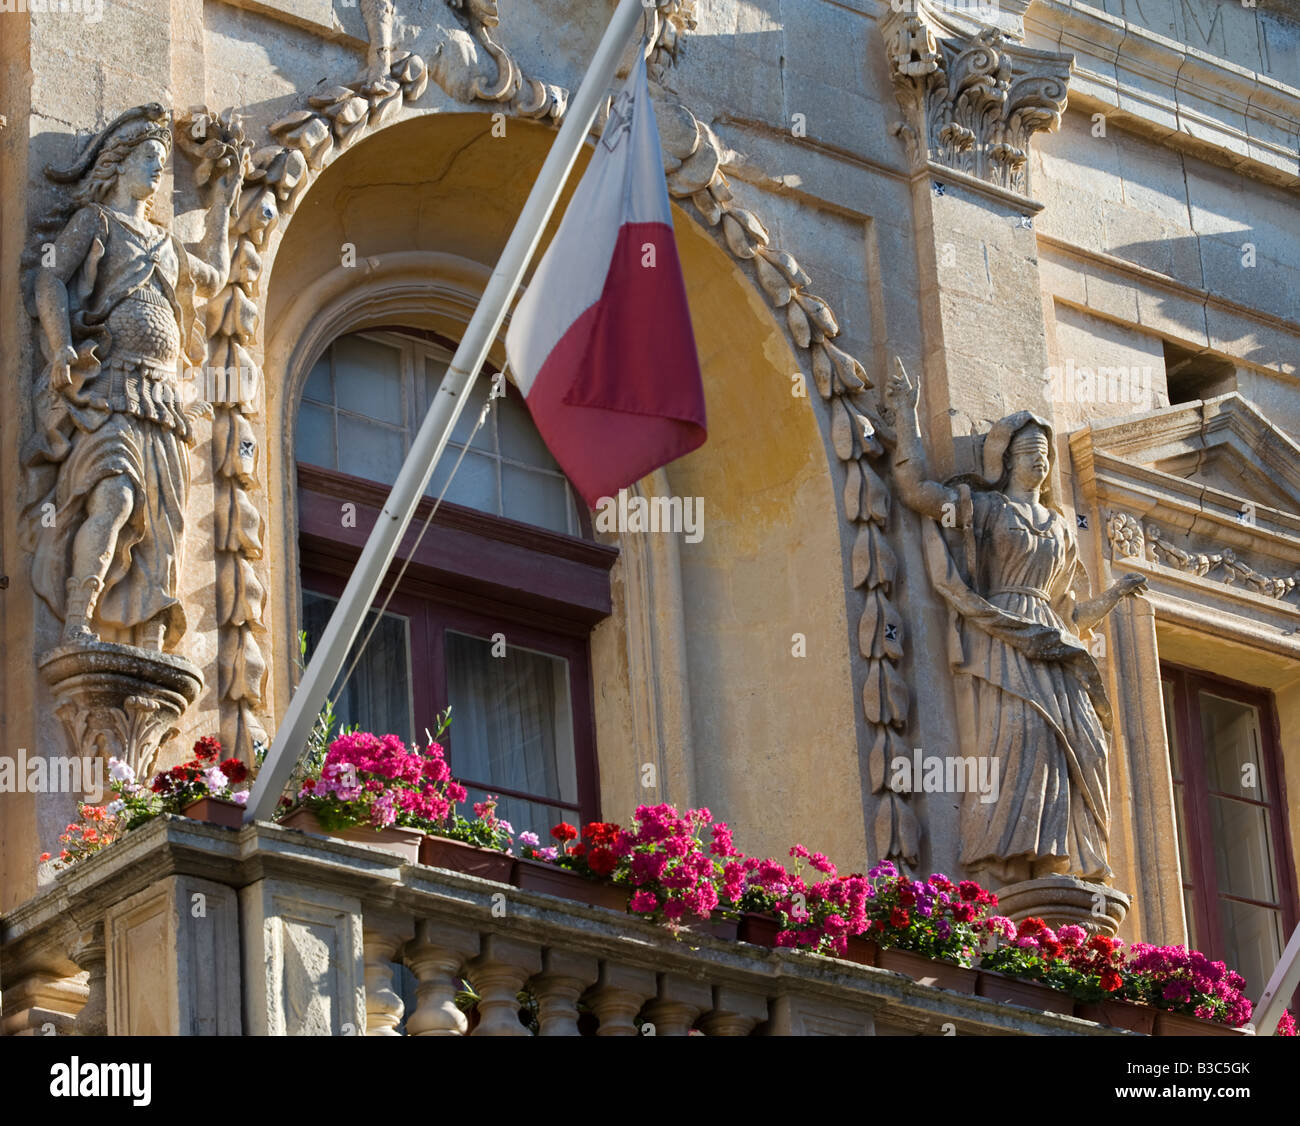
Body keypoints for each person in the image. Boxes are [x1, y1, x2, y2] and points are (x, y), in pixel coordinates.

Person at [885, 358, 1146, 885]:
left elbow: (1072, 611)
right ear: (1005, 459)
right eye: (1029, 453)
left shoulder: (1060, 529)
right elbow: (917, 493)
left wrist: (1114, 595)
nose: (1040, 463)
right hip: (1003, 629)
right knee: (1022, 733)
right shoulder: (984, 509)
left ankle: (1063, 857)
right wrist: (907, 418)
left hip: (1054, 639)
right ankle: (1013, 856)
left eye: (1045, 456)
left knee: (1083, 744)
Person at [23, 104, 240, 651]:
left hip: (162, 396)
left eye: (162, 162)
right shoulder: (96, 221)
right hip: (110, 385)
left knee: (164, 524)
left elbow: (212, 277)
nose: (156, 171)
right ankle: (78, 622)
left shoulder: (167, 244)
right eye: (148, 158)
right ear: (118, 165)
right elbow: (50, 276)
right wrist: (61, 348)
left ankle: (147, 634)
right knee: (115, 497)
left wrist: (223, 203)